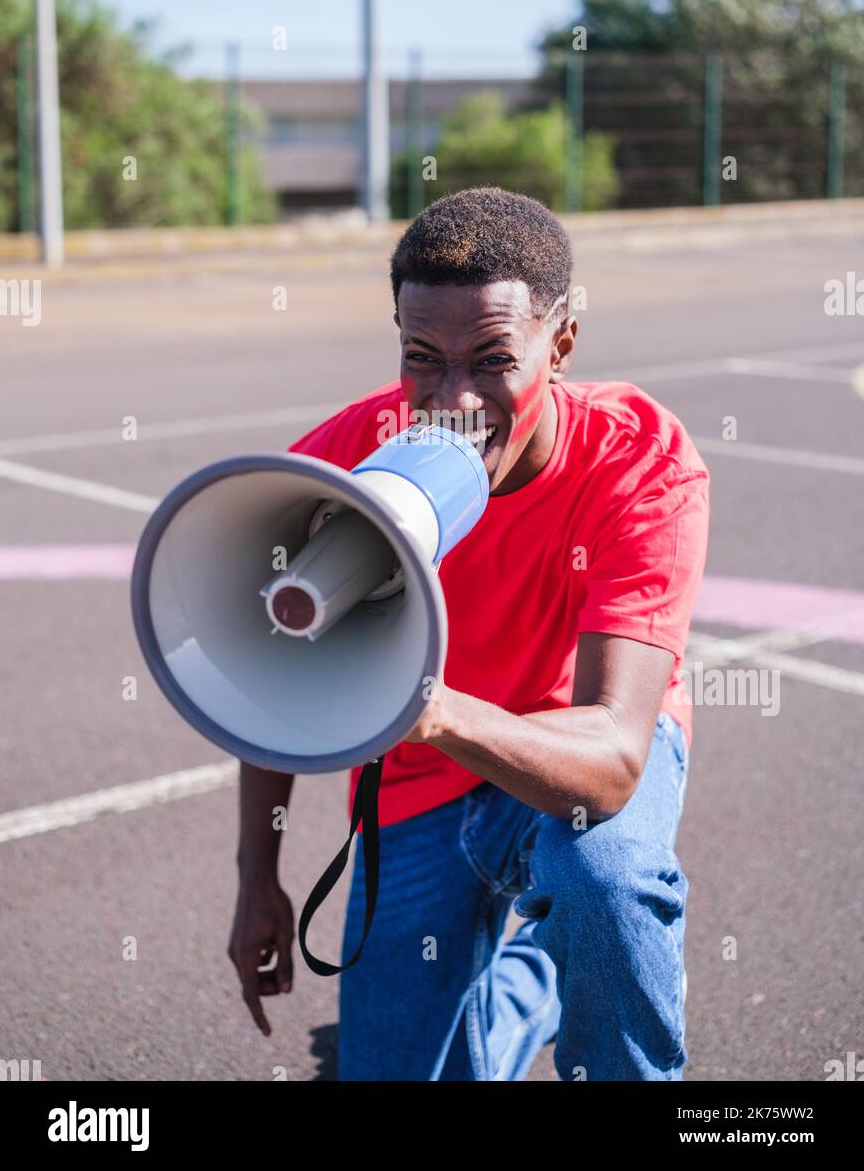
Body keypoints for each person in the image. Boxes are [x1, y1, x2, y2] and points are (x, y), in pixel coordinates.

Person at [228, 185, 710, 1081]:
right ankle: (536, 979)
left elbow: (612, 760)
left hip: (570, 744)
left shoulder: (638, 458)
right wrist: (259, 879)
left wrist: (435, 710)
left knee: (605, 883)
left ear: (561, 344)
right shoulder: (339, 465)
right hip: (419, 779)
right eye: (423, 358)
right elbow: (273, 677)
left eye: (493, 360)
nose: (453, 399)